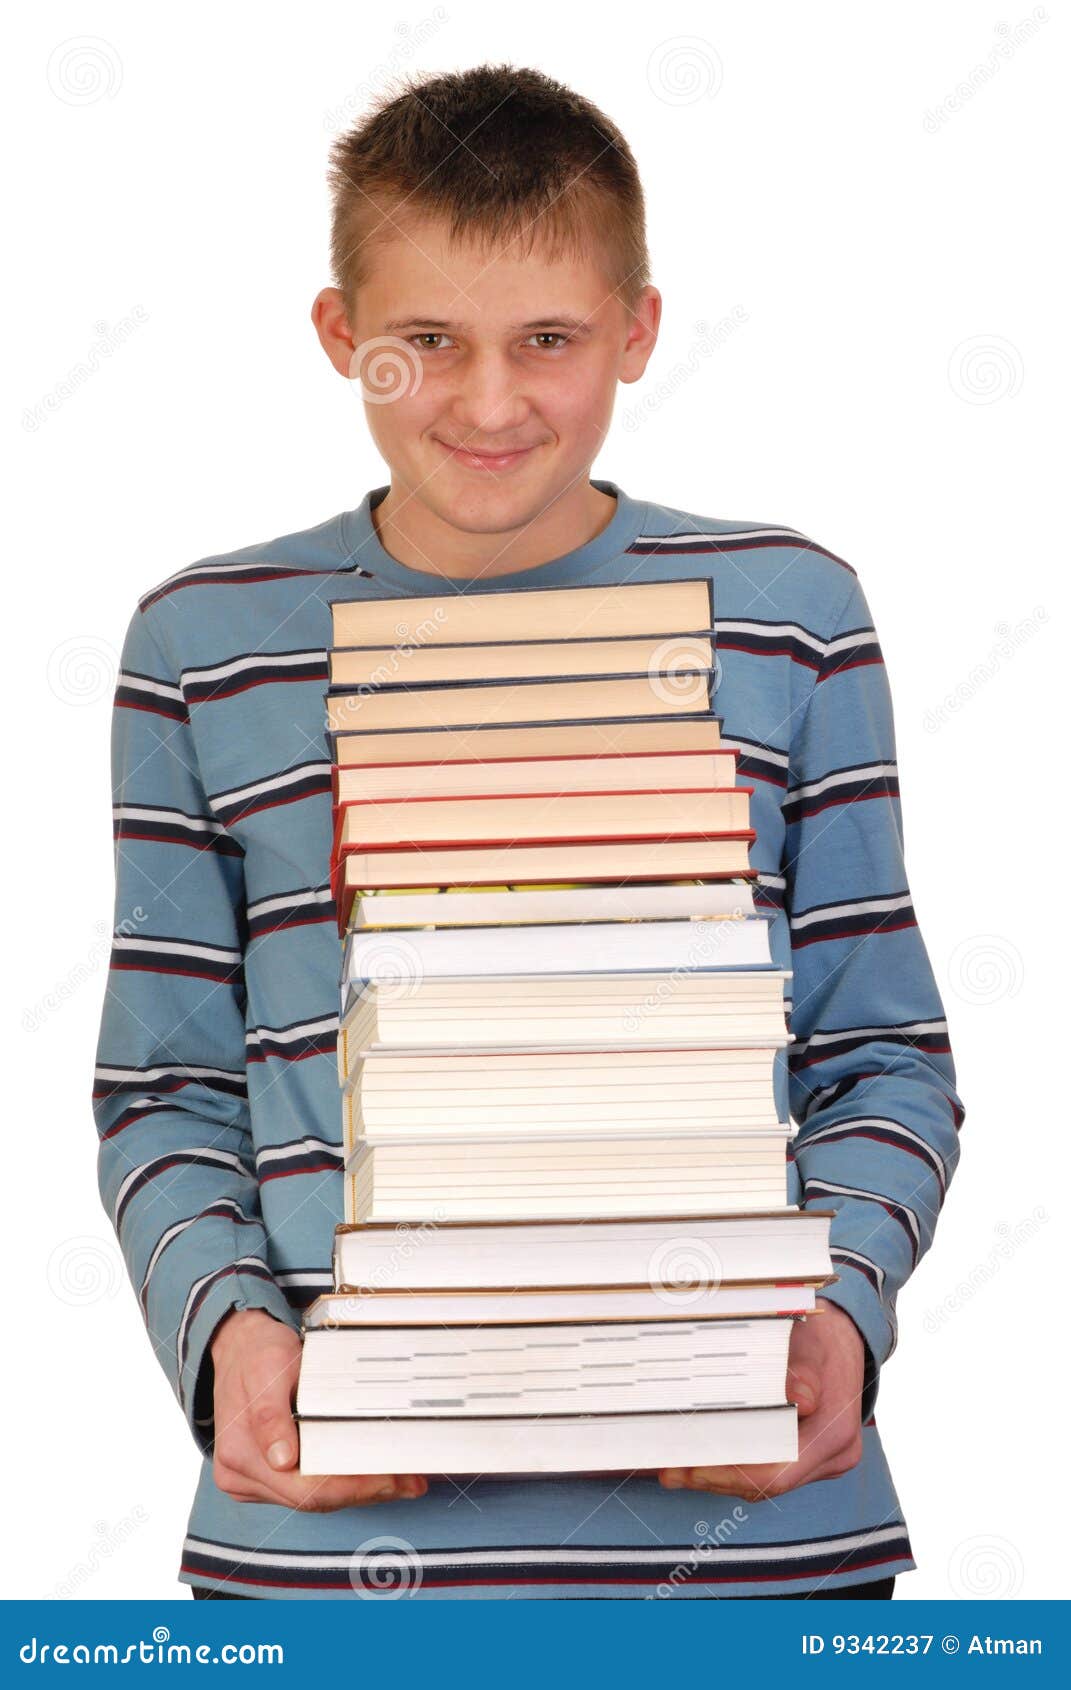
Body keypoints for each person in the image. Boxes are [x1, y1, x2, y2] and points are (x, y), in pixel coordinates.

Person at [92, 63, 964, 1600]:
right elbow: (163, 1082)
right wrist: (230, 1330)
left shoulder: (791, 615)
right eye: (425, 343)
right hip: (325, 1547)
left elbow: (880, 1050)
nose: (489, 403)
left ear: (635, 328)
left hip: (748, 1552)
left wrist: (838, 1318)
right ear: (339, 338)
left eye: (547, 340)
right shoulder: (205, 642)